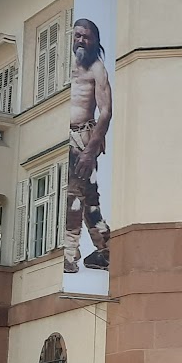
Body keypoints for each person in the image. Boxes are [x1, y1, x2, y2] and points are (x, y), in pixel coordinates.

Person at [65, 17, 113, 274]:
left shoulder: (97, 68)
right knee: (89, 199)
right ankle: (105, 250)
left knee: (75, 197)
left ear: (95, 40)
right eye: (77, 35)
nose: (81, 40)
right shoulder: (63, 65)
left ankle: (69, 254)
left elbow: (105, 112)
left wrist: (90, 151)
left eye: (86, 36)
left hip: (83, 140)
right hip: (66, 138)